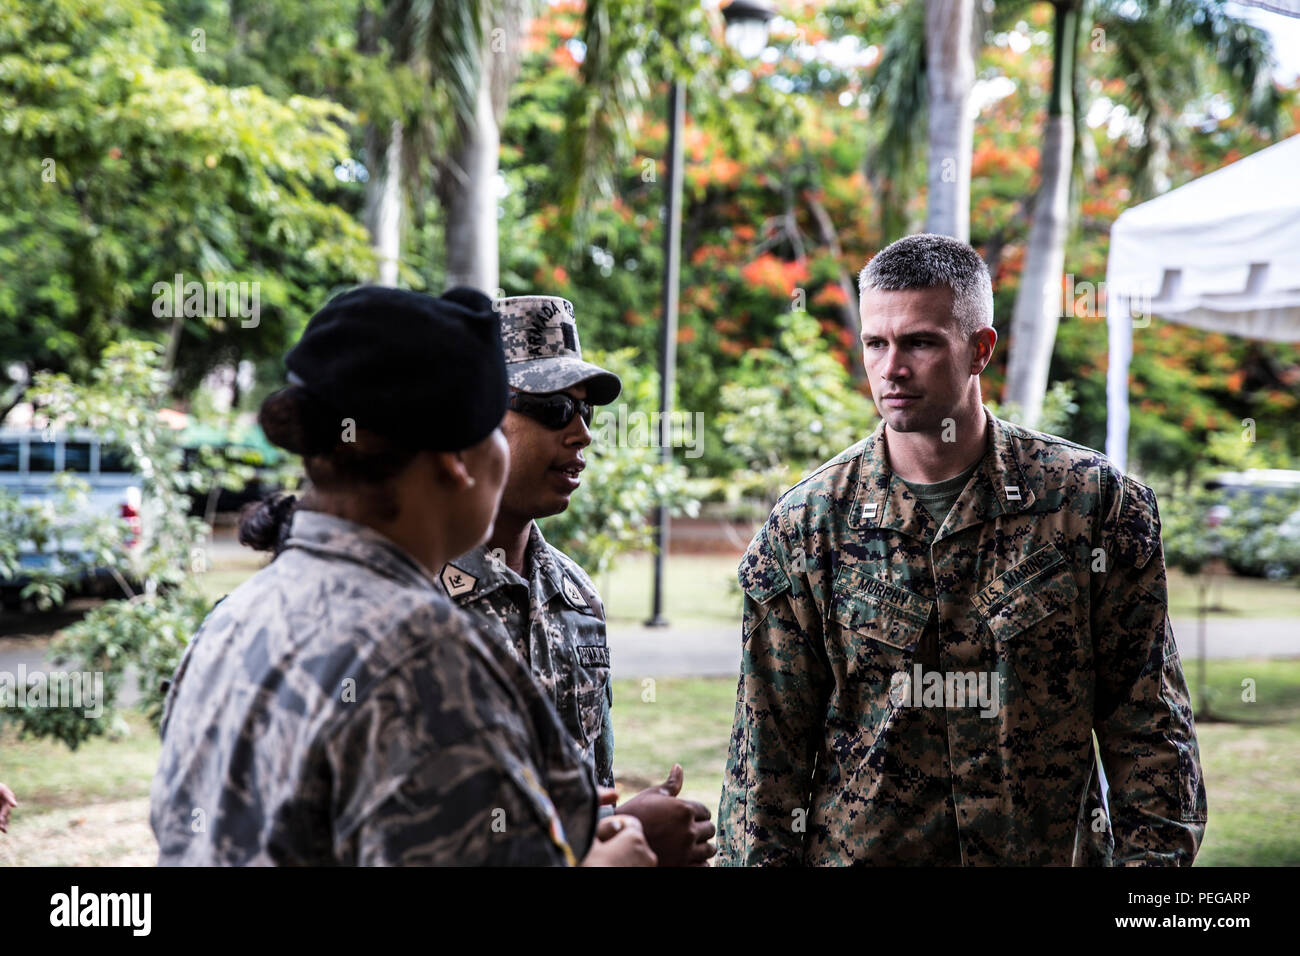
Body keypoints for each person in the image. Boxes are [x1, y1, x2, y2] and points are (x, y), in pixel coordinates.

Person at [716, 234, 1207, 866]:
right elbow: (765, 765)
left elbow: (1150, 729)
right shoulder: (808, 528)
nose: (892, 368)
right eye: (875, 343)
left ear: (980, 349)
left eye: (920, 342)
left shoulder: (1092, 508)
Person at [150, 286, 654, 867]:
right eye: (502, 421)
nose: (581, 435)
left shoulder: (229, 621)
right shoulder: (427, 657)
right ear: (454, 459)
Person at [439, 295, 716, 867]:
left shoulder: (575, 594)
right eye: (554, 410)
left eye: (587, 412)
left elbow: (590, 786)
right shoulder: (414, 597)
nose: (582, 435)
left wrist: (624, 826)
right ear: (475, 415)